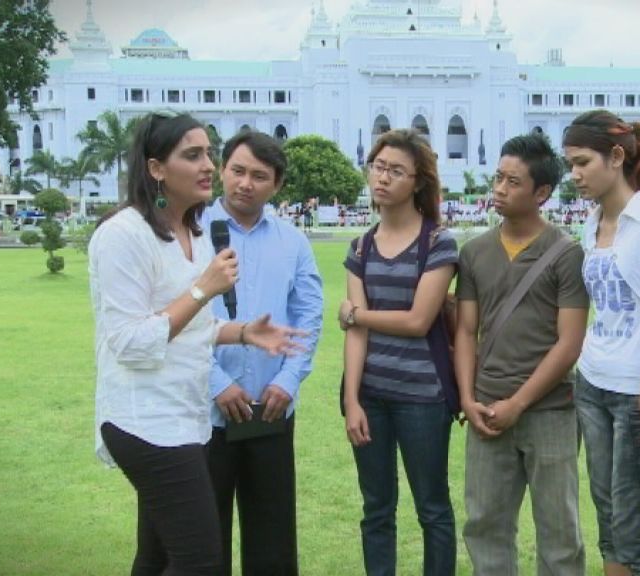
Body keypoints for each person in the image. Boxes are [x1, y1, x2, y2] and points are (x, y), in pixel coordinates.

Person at [88, 112, 303, 575]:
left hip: (185, 417)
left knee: (159, 557)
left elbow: (191, 328)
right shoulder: (122, 235)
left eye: (208, 153)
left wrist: (241, 332)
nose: (208, 165)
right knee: (201, 559)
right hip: (145, 421)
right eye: (192, 155)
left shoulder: (193, 233)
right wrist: (204, 289)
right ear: (156, 168)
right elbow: (130, 342)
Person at [456, 133, 589, 576]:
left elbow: (569, 343)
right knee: (485, 527)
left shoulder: (566, 254)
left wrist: (518, 403)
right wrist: (467, 399)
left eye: (513, 182)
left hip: (550, 411)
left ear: (542, 193)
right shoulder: (474, 252)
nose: (499, 189)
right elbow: (466, 330)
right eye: (498, 178)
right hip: (485, 410)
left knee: (560, 534)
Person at [203, 130, 323, 576]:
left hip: (270, 409)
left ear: (277, 184)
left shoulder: (292, 242)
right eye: (237, 170)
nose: (245, 183)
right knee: (203, 541)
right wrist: (216, 383)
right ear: (222, 170)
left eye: (259, 175)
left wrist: (288, 380)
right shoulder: (191, 233)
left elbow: (308, 316)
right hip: (204, 414)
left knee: (272, 542)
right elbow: (177, 319)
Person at [339, 128, 458, 576]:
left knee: (432, 507)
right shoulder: (361, 246)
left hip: (423, 397)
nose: (382, 177)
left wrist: (357, 314)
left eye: (396, 171)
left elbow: (417, 321)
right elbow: (355, 335)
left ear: (418, 181)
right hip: (371, 396)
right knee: (376, 508)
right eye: (378, 167)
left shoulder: (437, 242)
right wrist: (352, 400)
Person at [563, 110, 640, 576]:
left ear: (616, 157)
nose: (574, 174)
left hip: (636, 392)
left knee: (632, 525)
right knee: (607, 515)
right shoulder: (590, 223)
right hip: (591, 382)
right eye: (569, 164)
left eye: (582, 162)